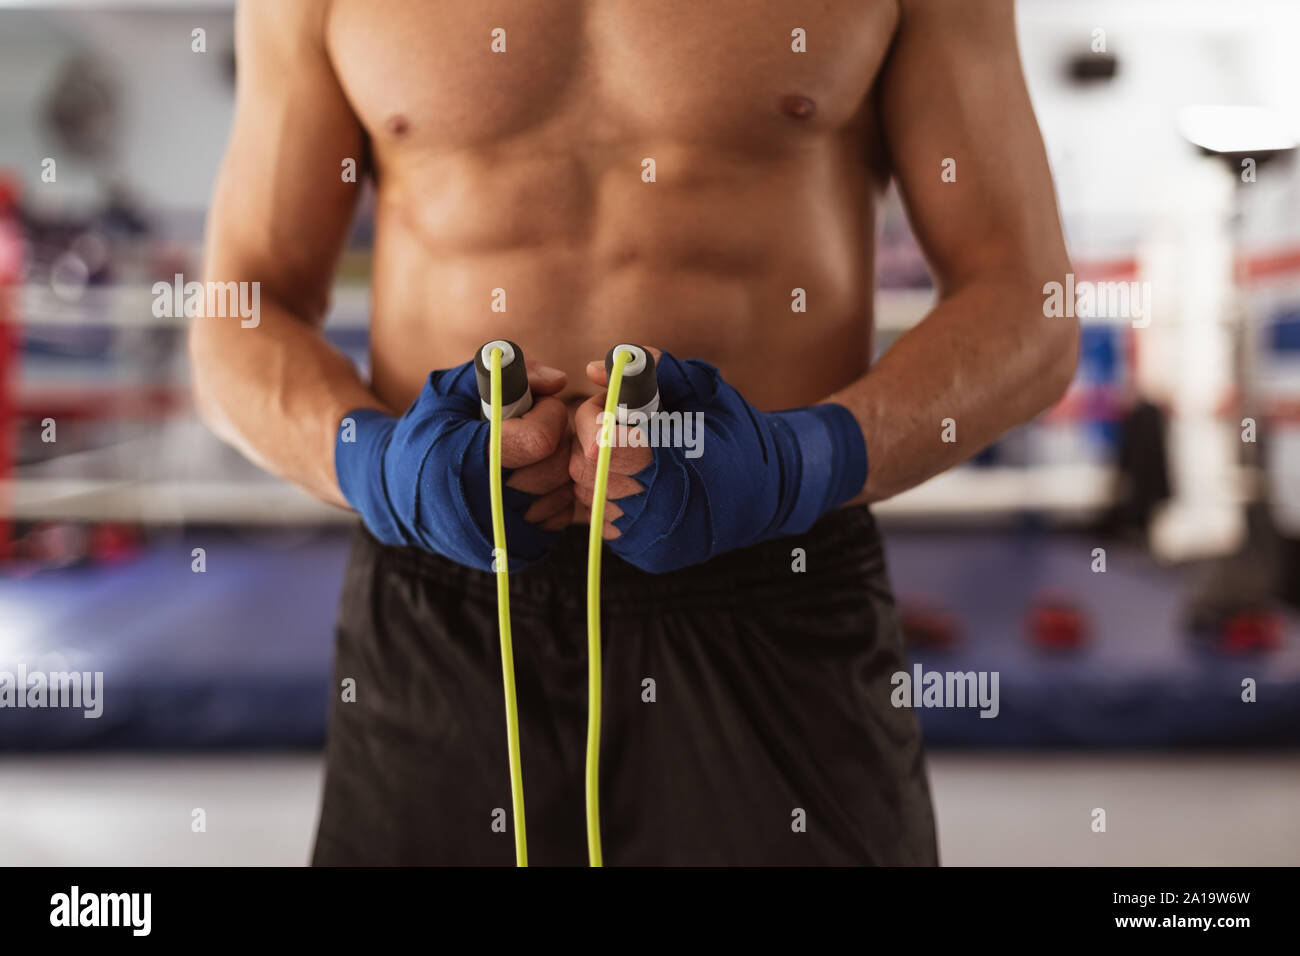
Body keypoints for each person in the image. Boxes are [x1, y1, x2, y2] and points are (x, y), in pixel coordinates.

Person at [191, 0, 1076, 865]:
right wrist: (378, 469)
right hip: (444, 610)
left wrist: (798, 466)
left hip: (777, 594)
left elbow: (1029, 310)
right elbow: (239, 313)